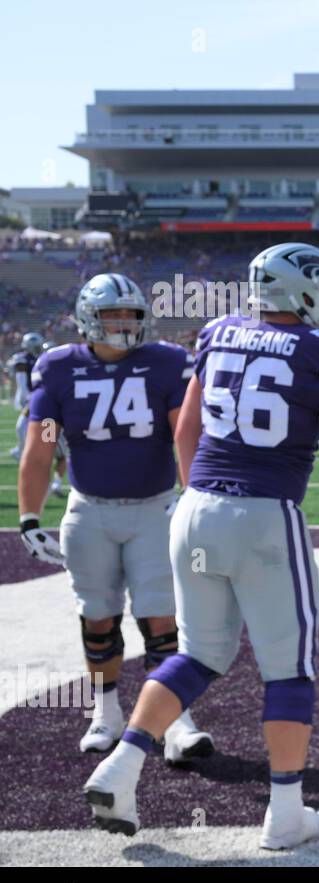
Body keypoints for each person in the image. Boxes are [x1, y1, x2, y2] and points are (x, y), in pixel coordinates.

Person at [82, 243, 319, 849]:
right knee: (288, 668)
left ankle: (120, 767)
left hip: (193, 511)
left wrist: (203, 495)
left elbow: (188, 428)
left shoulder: (220, 333)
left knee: (197, 655)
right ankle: (284, 812)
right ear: (300, 290)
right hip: (265, 515)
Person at [19, 274, 214, 758]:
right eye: (113, 315)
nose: (124, 323)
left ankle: (176, 723)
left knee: (162, 620)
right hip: (89, 512)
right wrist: (27, 517)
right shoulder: (59, 367)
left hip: (154, 509)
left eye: (131, 314)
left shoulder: (166, 362)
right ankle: (105, 714)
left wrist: (195, 497)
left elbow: (183, 435)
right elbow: (41, 447)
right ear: (89, 318)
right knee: (98, 619)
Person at [8, 331, 43, 460]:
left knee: (24, 427)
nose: (40, 348)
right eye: (37, 345)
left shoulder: (38, 358)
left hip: (37, 397)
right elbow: (21, 378)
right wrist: (25, 396)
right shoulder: (22, 358)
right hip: (32, 397)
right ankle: (23, 451)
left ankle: (23, 451)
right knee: (25, 426)